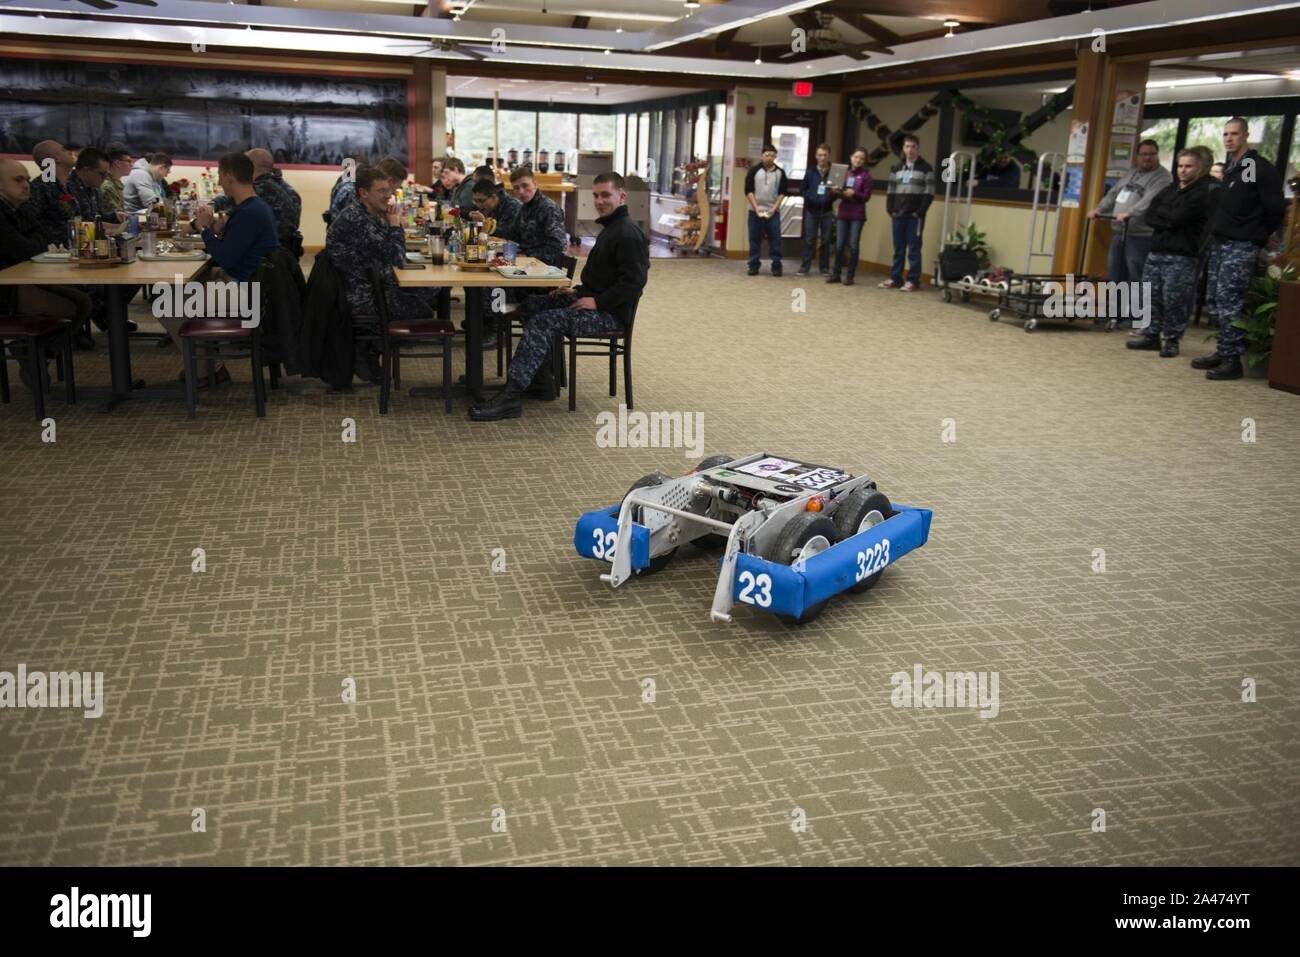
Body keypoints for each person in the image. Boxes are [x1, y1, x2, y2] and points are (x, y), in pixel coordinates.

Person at [470, 171, 648, 422]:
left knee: (544, 321)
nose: (600, 201)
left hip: (610, 315)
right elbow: (603, 279)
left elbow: (634, 282)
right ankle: (541, 381)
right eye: (596, 195)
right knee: (531, 305)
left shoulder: (627, 233)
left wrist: (598, 301)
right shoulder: (611, 228)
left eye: (606, 195)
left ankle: (511, 397)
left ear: (621, 195)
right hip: (594, 302)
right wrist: (576, 291)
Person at [326, 164, 440, 381]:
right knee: (423, 309)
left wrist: (391, 226)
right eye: (381, 191)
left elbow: (388, 253)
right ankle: (369, 347)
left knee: (430, 289)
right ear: (363, 193)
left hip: (374, 282)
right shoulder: (357, 219)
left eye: (389, 191)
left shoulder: (369, 213)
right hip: (361, 293)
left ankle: (373, 344)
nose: (388, 197)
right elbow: (395, 257)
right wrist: (396, 226)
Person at [1193, 117, 1286, 381]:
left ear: (1245, 135)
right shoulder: (1234, 168)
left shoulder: (1254, 167)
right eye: (1225, 134)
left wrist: (1258, 234)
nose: (1229, 138)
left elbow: (1274, 208)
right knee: (1216, 300)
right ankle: (1223, 350)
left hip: (1242, 244)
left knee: (1230, 301)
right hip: (1222, 243)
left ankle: (1232, 360)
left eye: (1234, 134)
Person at [176, 152, 280, 387]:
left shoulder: (248, 213)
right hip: (252, 286)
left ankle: (208, 370)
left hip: (246, 294)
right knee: (189, 287)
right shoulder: (255, 208)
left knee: (168, 302)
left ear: (230, 176)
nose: (220, 182)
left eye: (221, 176)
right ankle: (208, 367)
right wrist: (220, 232)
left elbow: (225, 259)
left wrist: (205, 231)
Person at [0, 157, 94, 360]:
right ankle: (34, 354)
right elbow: (26, 249)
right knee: (76, 304)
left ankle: (39, 352)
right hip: (7, 292)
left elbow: (41, 241)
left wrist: (33, 240)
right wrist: (33, 240)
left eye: (26, 179)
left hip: (27, 279)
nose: (26, 185)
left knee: (84, 298)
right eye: (18, 180)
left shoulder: (20, 208)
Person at [1124, 150, 1211, 359]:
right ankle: (1151, 335)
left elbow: (1178, 217)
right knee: (1151, 295)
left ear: (1199, 168)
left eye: (1188, 166)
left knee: (1175, 299)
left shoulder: (1201, 192)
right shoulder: (1170, 189)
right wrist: (1168, 218)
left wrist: (1167, 217)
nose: (1183, 170)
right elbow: (1150, 215)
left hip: (1182, 255)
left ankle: (1171, 340)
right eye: (1180, 166)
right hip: (1157, 251)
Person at [1086, 139, 1171, 284]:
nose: (1147, 157)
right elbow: (1113, 193)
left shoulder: (1163, 176)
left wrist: (1130, 212)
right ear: (1137, 156)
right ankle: (1117, 306)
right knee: (1116, 274)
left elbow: (1150, 200)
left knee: (1137, 277)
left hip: (1141, 236)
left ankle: (1136, 307)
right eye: (1143, 154)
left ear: (1157, 155)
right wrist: (1099, 208)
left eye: (1151, 154)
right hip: (1120, 233)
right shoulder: (1132, 172)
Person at [213, 148, 302, 255]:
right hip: (285, 260)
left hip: (264, 261)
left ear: (249, 166)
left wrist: (208, 211)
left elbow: (230, 211)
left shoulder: (261, 188)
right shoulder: (288, 190)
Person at [880, 134, 935, 292]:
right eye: (907, 146)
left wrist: (919, 212)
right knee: (898, 248)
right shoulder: (896, 168)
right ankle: (896, 278)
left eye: (913, 147)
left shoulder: (926, 168)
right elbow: (890, 191)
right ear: (903, 149)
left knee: (914, 249)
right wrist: (890, 210)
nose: (910, 150)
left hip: (914, 217)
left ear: (918, 148)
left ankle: (913, 280)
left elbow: (929, 192)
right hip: (898, 215)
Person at [507, 165, 568, 267]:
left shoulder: (549, 208)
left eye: (525, 185)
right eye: (516, 188)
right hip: (526, 264)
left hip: (544, 267)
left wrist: (527, 256)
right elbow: (513, 235)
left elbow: (558, 246)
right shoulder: (525, 207)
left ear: (535, 184)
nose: (521, 191)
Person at [827, 148, 871, 286]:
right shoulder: (843, 172)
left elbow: (866, 196)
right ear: (851, 157)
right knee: (839, 245)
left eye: (861, 158)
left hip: (857, 214)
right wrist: (834, 191)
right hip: (843, 212)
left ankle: (850, 276)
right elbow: (833, 194)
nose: (858, 160)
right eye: (856, 157)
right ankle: (836, 274)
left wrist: (855, 194)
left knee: (853, 245)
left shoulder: (866, 176)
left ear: (864, 161)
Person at [745, 144, 787, 277]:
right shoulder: (753, 171)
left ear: (775, 157)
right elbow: (748, 190)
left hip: (773, 211)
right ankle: (753, 265)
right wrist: (756, 207)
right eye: (767, 155)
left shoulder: (780, 172)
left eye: (772, 155)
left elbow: (782, 192)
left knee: (775, 239)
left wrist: (774, 208)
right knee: (754, 239)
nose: (769, 158)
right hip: (755, 211)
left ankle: (776, 266)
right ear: (762, 156)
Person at [26, 139, 75, 247]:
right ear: (55, 159)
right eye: (64, 150)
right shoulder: (38, 188)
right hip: (53, 255)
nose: (70, 152)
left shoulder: (71, 186)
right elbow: (32, 226)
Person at [798, 144, 835, 277]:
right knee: (809, 239)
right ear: (816, 156)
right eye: (820, 155)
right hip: (812, 211)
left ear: (829, 156)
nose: (822, 158)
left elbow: (838, 190)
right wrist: (811, 198)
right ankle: (805, 266)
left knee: (825, 240)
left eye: (825, 155)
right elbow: (802, 189)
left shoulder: (833, 172)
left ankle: (824, 267)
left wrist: (831, 196)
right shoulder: (810, 172)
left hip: (827, 210)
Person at [98, 144, 133, 218]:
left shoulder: (114, 183)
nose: (132, 165)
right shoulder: (107, 186)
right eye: (128, 161)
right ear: (117, 163)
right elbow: (118, 218)